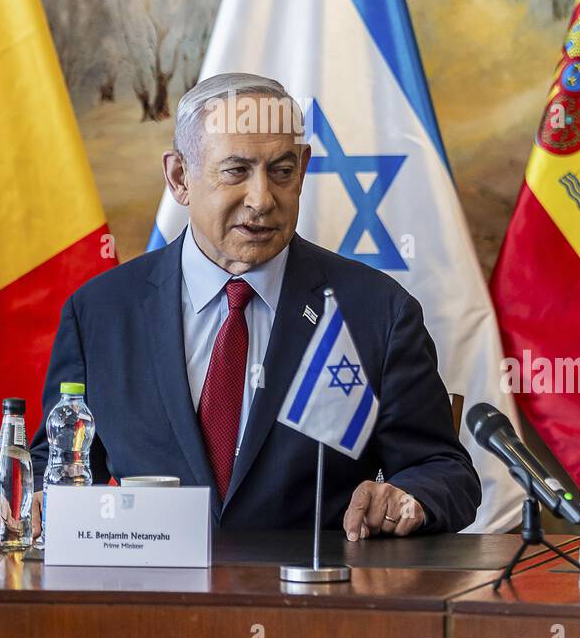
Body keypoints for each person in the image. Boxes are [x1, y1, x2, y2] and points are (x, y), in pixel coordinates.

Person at [29, 72, 481, 540]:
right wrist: (47, 501)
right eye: (236, 171)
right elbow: (59, 463)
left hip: (316, 601)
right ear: (180, 177)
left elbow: (444, 471)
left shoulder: (376, 312)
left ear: (303, 170)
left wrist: (406, 500)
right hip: (150, 599)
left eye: (282, 172)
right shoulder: (100, 313)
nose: (262, 200)